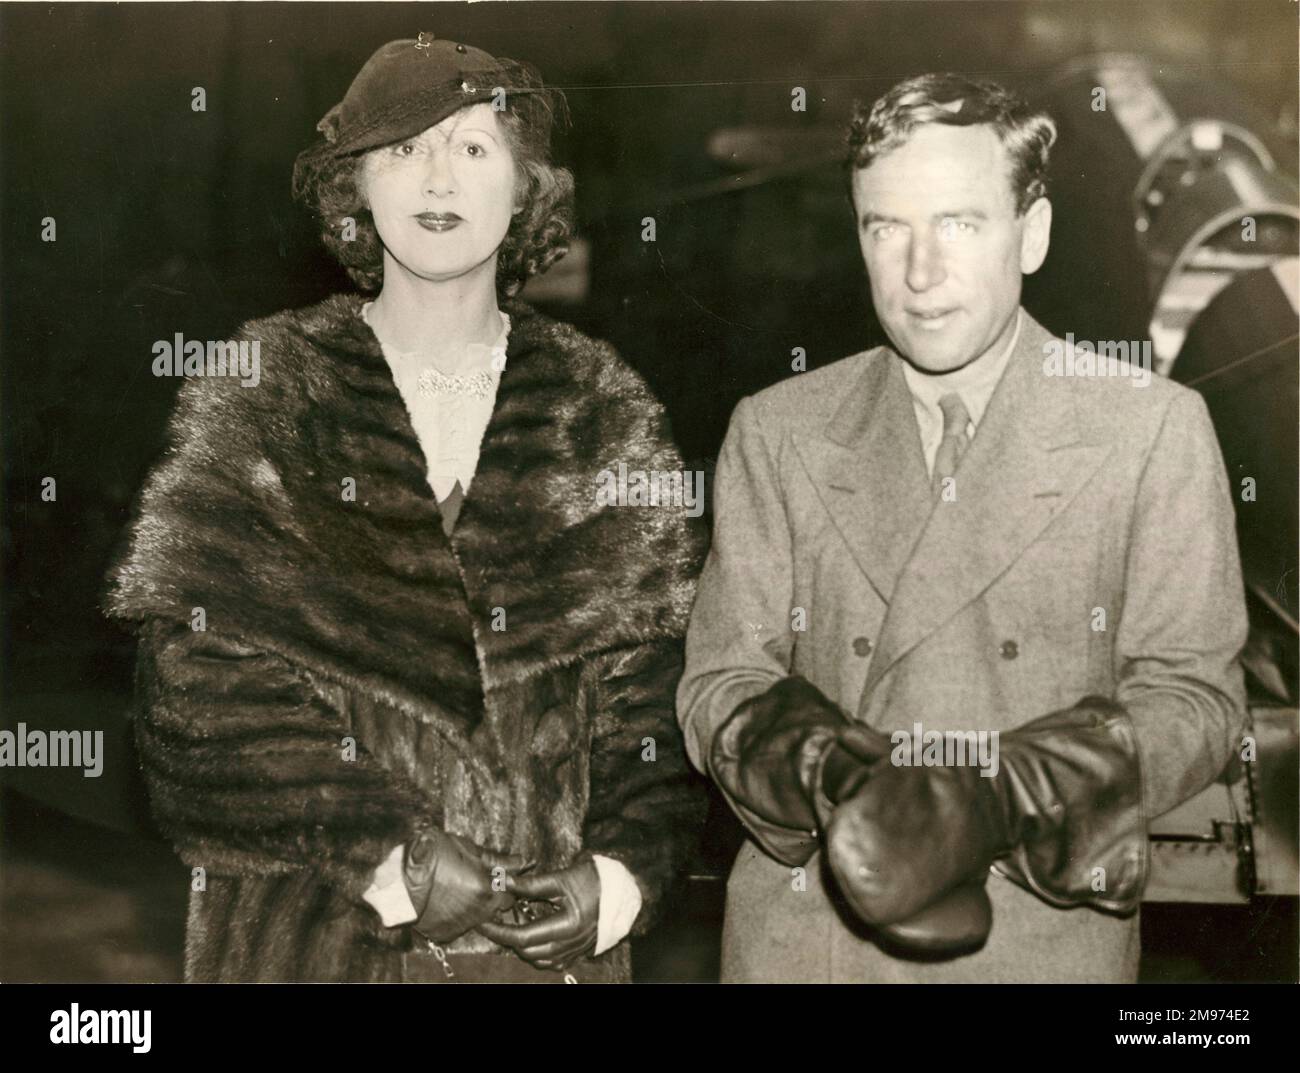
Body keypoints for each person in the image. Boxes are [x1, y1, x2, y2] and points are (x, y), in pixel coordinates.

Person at [105, 33, 706, 983]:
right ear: (357, 188)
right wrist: (389, 853)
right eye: (403, 148)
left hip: (541, 959)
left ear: (525, 189)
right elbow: (195, 696)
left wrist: (623, 872)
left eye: (473, 147)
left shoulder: (600, 410)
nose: (437, 177)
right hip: (319, 938)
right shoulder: (267, 395)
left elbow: (655, 699)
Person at [676, 72, 1249, 983]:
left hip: (1032, 946)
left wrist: (1003, 795)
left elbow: (1196, 700)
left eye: (959, 223)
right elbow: (721, 679)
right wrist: (836, 777)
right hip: (809, 948)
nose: (919, 272)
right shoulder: (779, 426)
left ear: (1033, 234)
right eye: (885, 226)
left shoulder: (1150, 426)